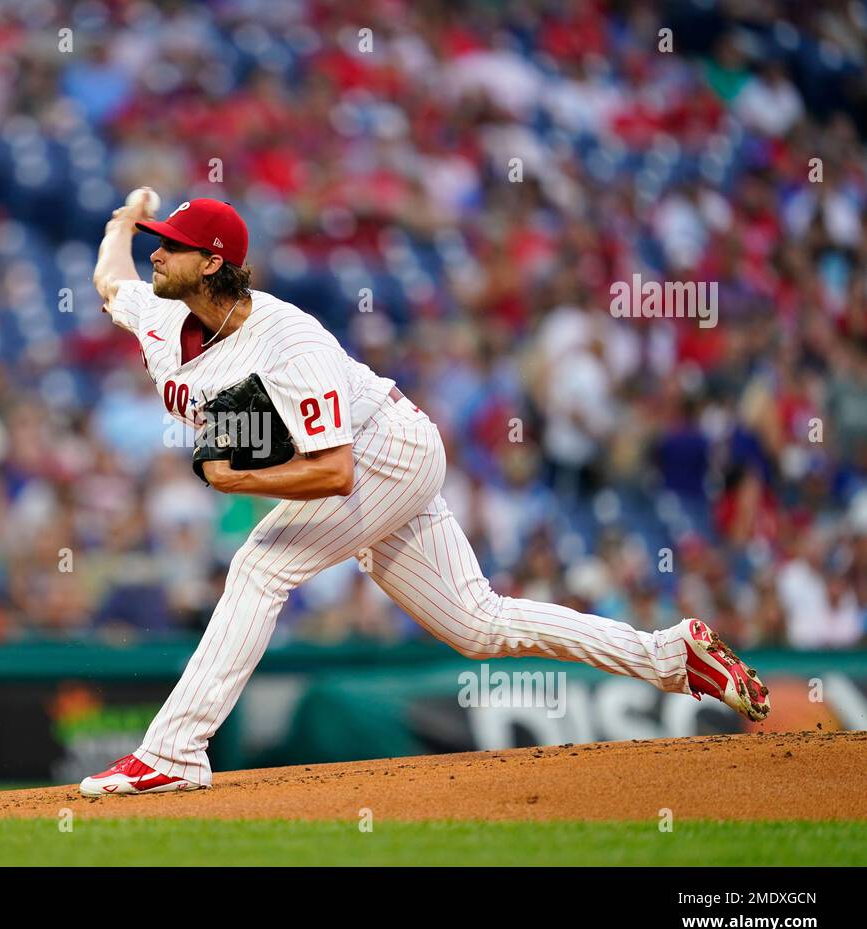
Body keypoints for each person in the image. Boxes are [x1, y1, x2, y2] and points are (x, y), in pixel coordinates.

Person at [81, 192, 771, 796]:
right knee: (478, 624)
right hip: (374, 459)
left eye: (171, 246)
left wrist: (239, 480)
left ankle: (171, 753)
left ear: (211, 264)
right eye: (157, 244)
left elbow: (335, 472)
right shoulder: (162, 316)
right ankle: (669, 655)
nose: (156, 256)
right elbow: (111, 279)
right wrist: (124, 222)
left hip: (387, 450)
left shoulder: (290, 343)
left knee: (260, 566)